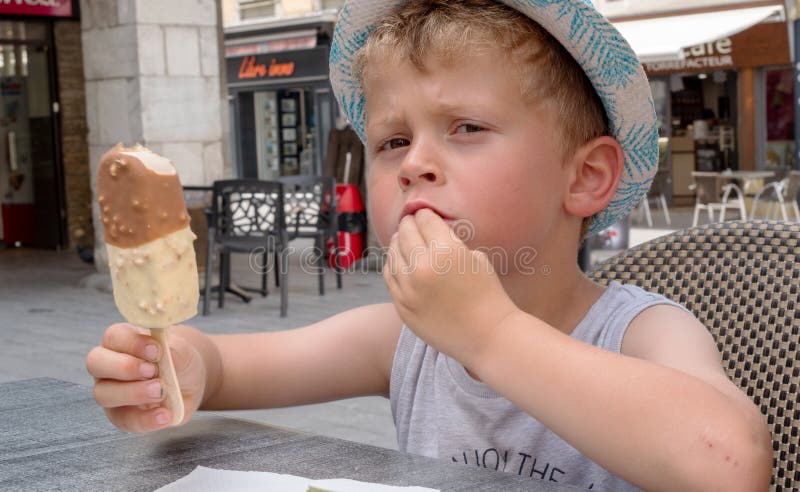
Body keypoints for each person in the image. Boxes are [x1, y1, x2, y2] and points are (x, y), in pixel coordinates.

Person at [86, 1, 772, 490]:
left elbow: (728, 463)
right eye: (391, 141)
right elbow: (235, 369)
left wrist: (489, 332)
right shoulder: (406, 338)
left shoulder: (641, 331)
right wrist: (183, 364)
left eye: (466, 127)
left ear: (585, 176)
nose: (414, 162)